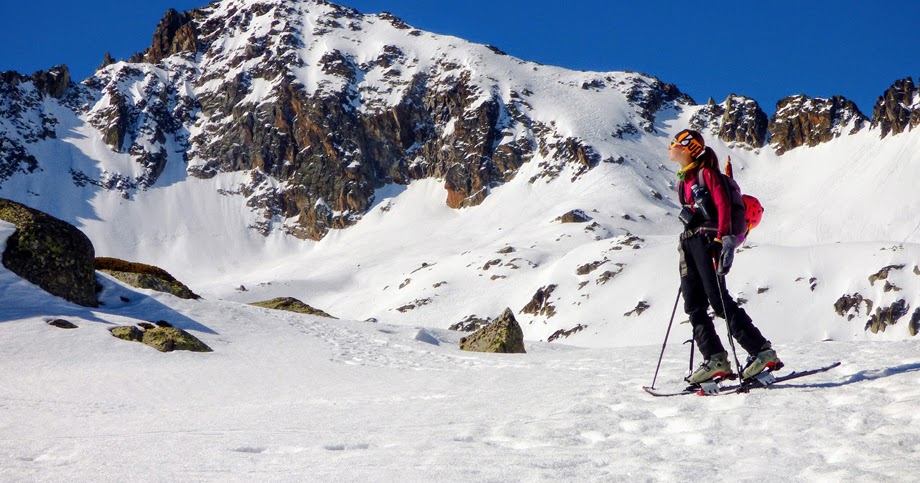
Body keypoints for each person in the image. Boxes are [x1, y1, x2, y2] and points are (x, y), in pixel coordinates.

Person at [668, 129, 780, 384]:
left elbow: (724, 206)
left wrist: (725, 240)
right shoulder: (684, 181)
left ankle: (761, 351)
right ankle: (715, 358)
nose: (669, 147)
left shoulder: (706, 174)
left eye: (674, 143)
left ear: (687, 149)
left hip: (709, 242)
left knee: (718, 300)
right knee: (694, 305)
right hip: (691, 243)